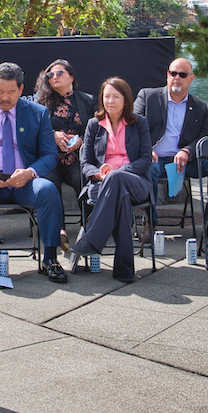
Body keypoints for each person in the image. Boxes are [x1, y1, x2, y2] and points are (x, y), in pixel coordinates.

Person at [0, 62, 67, 284]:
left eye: (11, 92)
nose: (5, 98)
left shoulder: (38, 113)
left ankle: (51, 259)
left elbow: (49, 154)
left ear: (21, 89)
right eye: (0, 92)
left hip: (24, 183)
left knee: (47, 190)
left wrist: (30, 172)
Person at [134, 57, 208, 242]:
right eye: (173, 73)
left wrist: (187, 151)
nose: (176, 78)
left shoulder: (201, 107)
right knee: (149, 167)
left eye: (182, 74)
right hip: (156, 159)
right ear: (167, 75)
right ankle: (150, 225)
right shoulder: (147, 96)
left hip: (185, 161)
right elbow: (133, 125)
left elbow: (203, 137)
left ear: (191, 78)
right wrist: (146, 148)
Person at [69, 77, 153, 283]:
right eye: (107, 97)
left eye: (116, 96)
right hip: (101, 185)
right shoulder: (94, 125)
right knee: (119, 197)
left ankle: (92, 239)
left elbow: (145, 159)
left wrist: (118, 171)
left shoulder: (139, 123)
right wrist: (98, 174)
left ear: (126, 99)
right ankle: (124, 269)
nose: (110, 101)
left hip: (136, 182)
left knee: (117, 179)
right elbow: (85, 163)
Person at [33, 58, 96, 249]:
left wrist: (82, 140)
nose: (54, 77)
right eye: (50, 74)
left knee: (83, 179)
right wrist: (51, 135)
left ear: (71, 77)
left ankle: (90, 225)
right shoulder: (39, 101)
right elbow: (31, 130)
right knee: (50, 184)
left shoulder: (87, 100)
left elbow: (97, 130)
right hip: (49, 158)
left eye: (59, 73)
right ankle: (58, 230)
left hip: (75, 158)